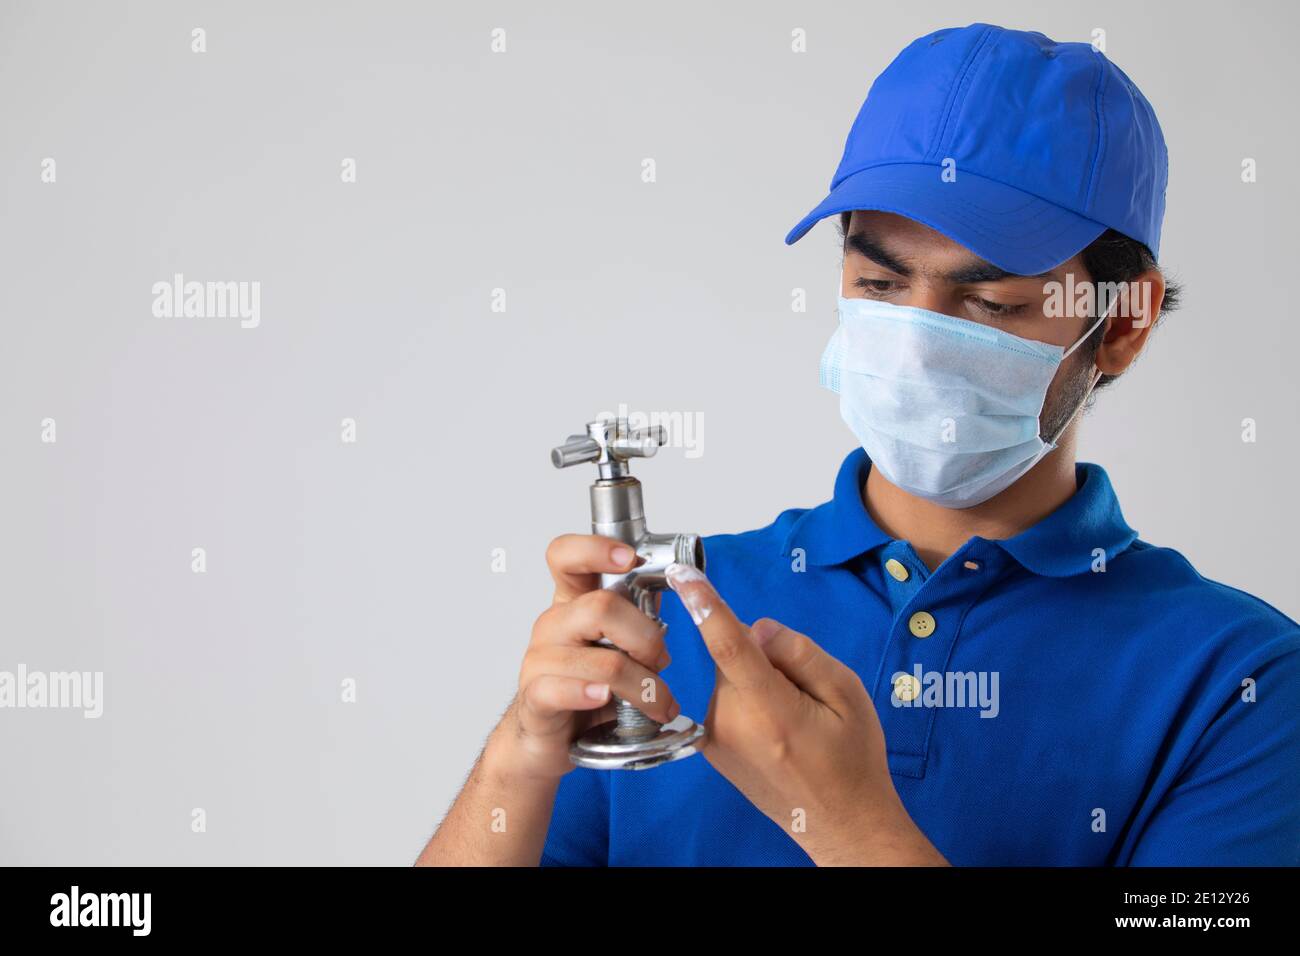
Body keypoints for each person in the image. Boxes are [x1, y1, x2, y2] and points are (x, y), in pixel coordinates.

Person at [417, 23, 1300, 866]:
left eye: (988, 305)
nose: (914, 344)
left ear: (1122, 326)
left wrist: (850, 828)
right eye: (877, 282)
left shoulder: (1242, 686)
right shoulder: (682, 609)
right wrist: (518, 760)